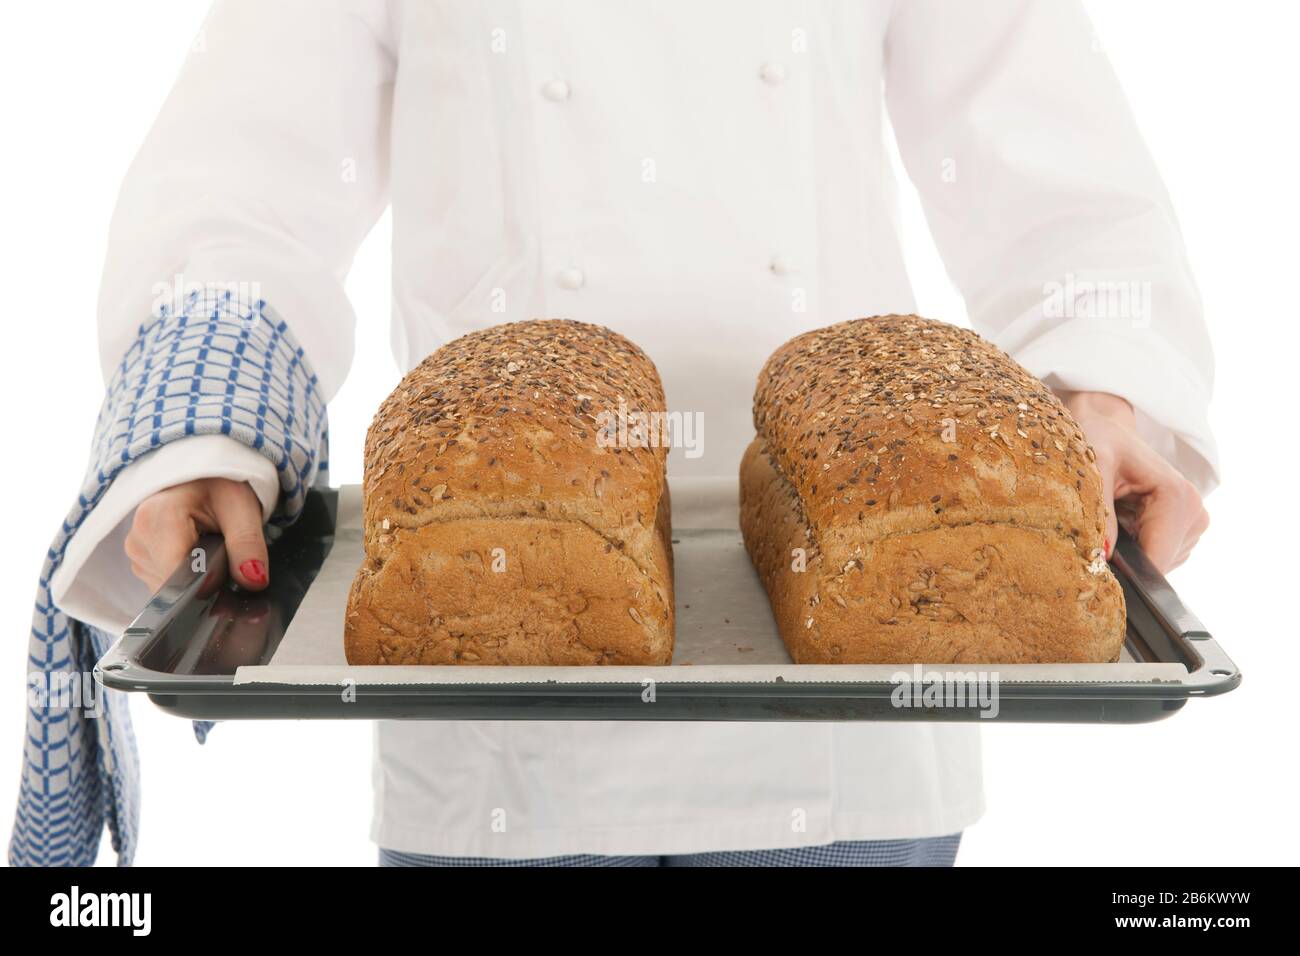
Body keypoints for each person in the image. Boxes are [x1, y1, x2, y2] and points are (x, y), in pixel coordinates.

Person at [23, 0, 1215, 867]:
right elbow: (249, 171)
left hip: (852, 732)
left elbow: (1048, 157)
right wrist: (202, 434)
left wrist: (1104, 386)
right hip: (494, 746)